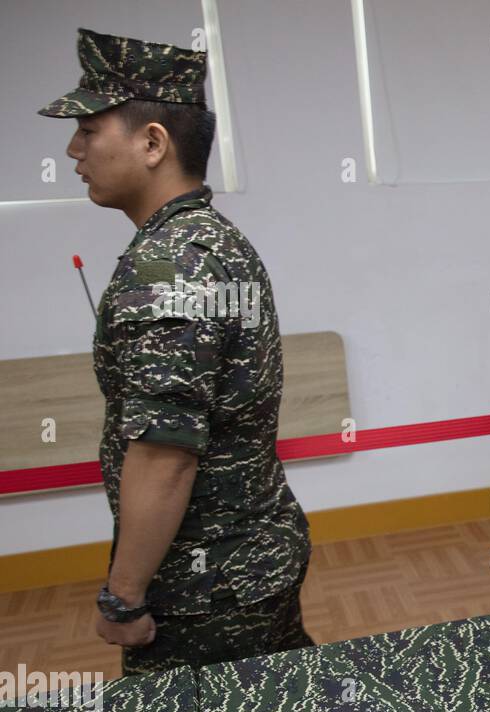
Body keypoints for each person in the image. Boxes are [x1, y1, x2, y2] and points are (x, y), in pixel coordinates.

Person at [39, 28, 313, 674]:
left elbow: (165, 458)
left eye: (89, 127)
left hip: (204, 594)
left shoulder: (167, 265)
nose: (74, 148)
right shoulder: (219, 240)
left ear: (153, 143)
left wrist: (124, 596)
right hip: (252, 562)